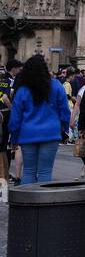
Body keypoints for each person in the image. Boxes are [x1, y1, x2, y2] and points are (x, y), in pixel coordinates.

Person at [7, 54, 71, 185]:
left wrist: (14, 137)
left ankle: (27, 201)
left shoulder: (23, 90)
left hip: (27, 134)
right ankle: (43, 202)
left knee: (29, 171)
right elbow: (64, 111)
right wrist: (64, 129)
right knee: (45, 172)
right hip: (51, 133)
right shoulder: (56, 86)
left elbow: (15, 118)